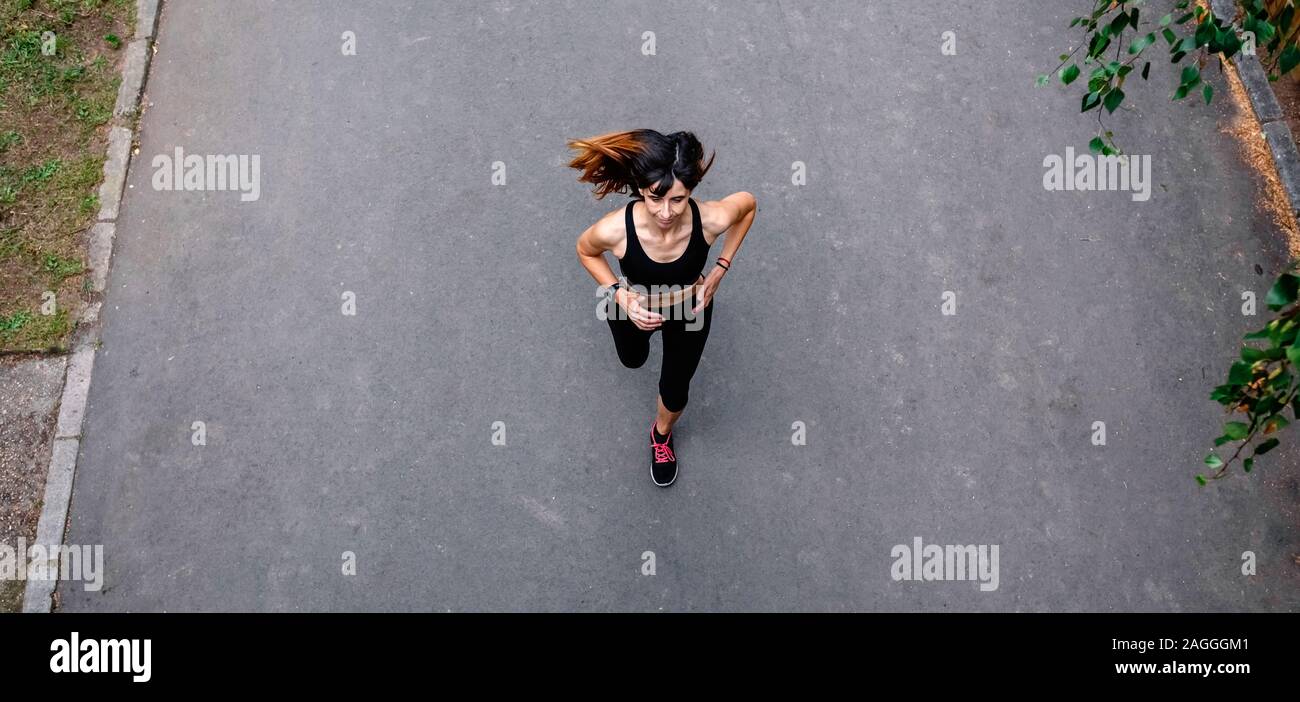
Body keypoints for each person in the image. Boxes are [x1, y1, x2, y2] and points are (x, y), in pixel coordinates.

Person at [569, 129, 757, 487]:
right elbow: (585, 251)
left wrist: (721, 267)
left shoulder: (712, 219)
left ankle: (661, 435)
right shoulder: (615, 229)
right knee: (632, 359)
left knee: (675, 387)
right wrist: (617, 293)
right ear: (642, 189)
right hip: (633, 307)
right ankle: (631, 324)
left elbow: (748, 205)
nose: (666, 212)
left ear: (691, 192)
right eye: (656, 198)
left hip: (690, 308)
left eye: (679, 199)